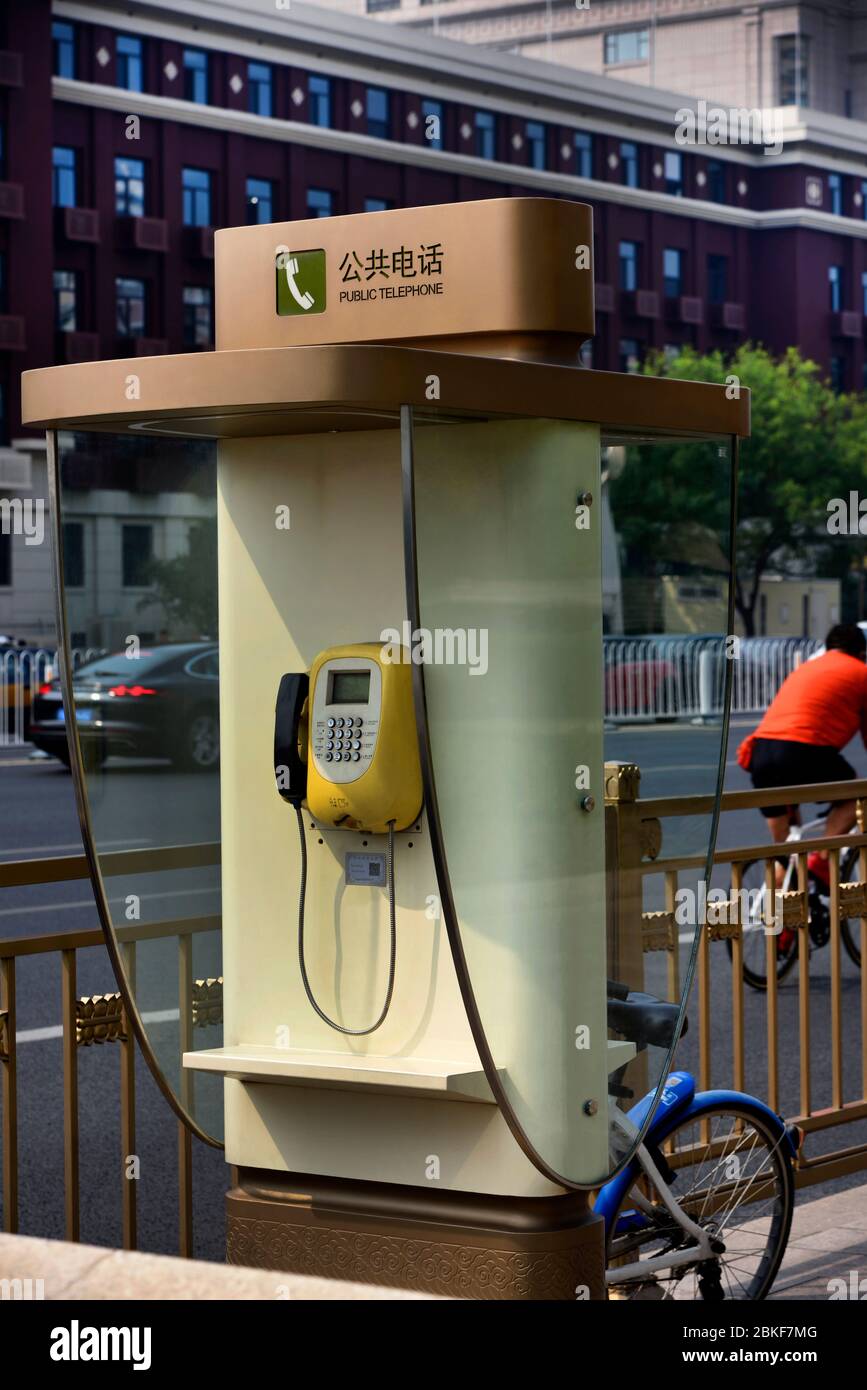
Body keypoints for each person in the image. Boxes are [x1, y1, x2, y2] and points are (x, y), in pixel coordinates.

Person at [737, 623, 867, 886]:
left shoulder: (806, 668)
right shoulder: (862, 673)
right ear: (861, 651)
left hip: (761, 753)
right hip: (803, 750)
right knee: (858, 796)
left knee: (784, 850)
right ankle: (821, 861)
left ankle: (779, 920)